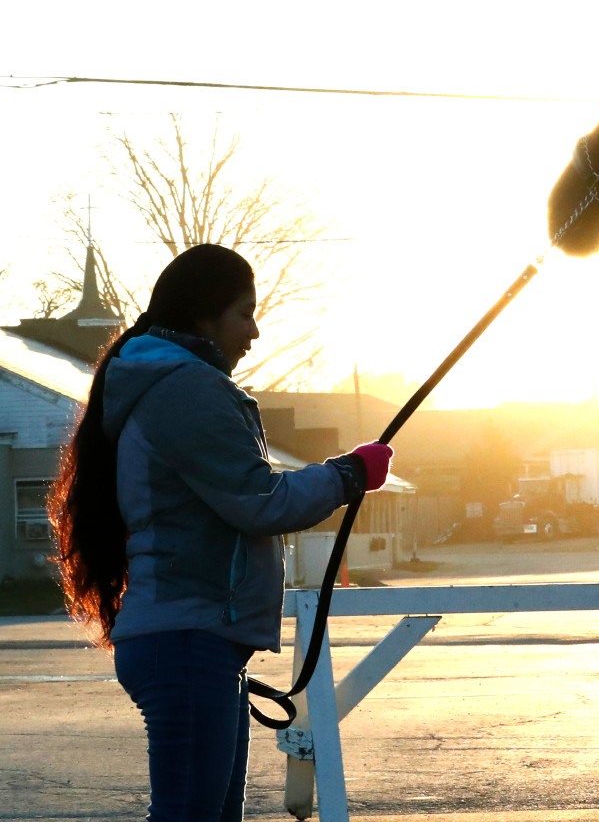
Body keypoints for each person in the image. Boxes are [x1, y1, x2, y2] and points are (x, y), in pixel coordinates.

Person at [48, 244, 394, 822]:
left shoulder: (169, 383)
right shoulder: (185, 388)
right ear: (204, 314)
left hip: (196, 640)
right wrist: (348, 475)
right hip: (188, 641)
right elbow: (260, 501)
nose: (254, 332)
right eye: (244, 313)